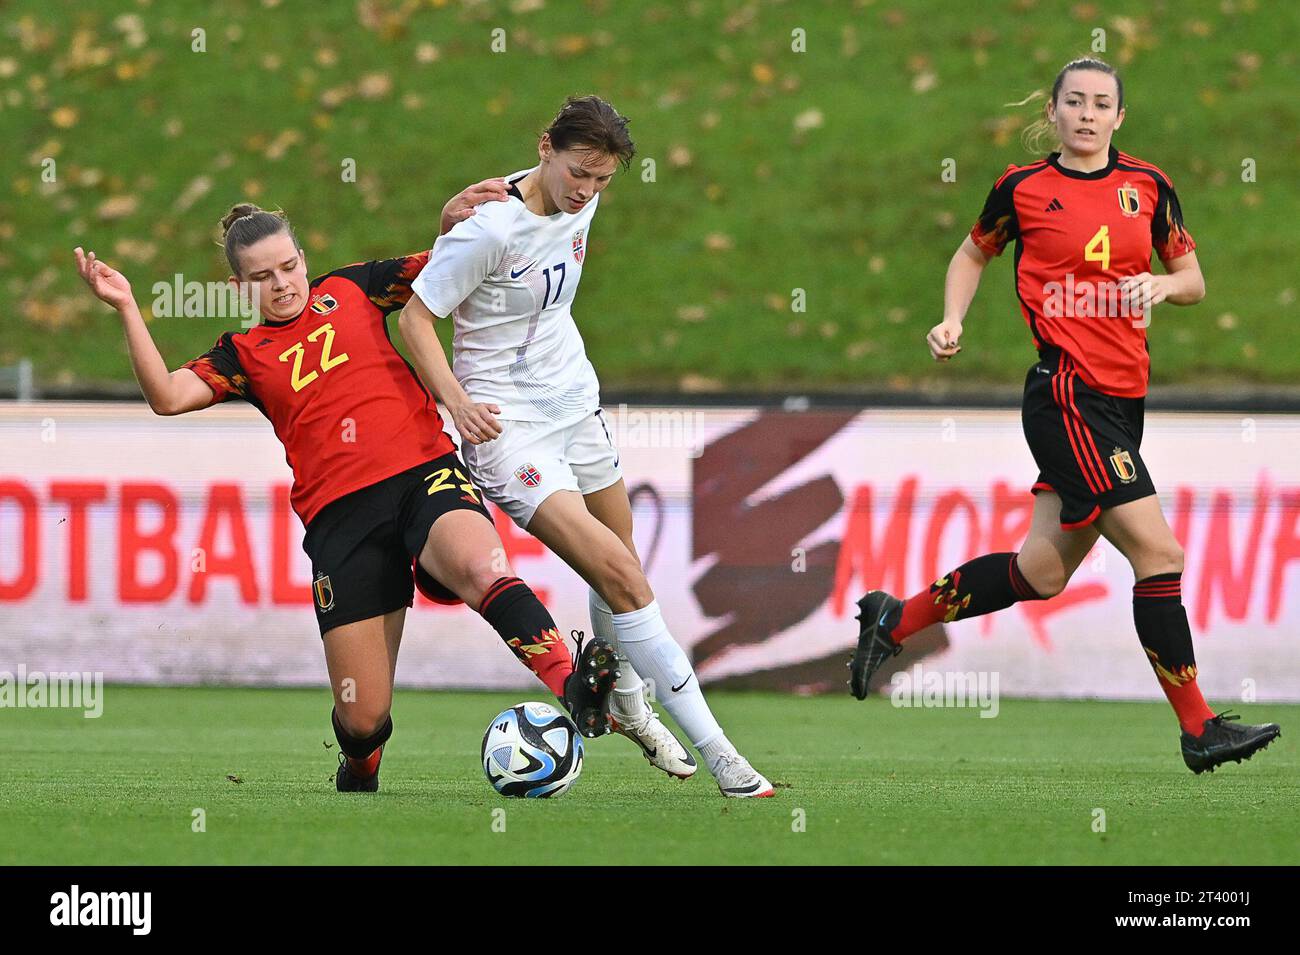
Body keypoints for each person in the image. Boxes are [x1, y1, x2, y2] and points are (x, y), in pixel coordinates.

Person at [72, 182, 620, 795]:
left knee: (481, 566)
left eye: (289, 265)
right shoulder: (242, 354)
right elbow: (167, 397)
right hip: (341, 522)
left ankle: (574, 685)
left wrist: (448, 220)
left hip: (423, 476)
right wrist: (125, 306)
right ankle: (360, 765)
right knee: (364, 716)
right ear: (238, 290)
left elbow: (451, 266)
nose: (282, 283)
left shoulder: (355, 287)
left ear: (304, 259)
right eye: (263, 277)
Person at [848, 57, 1280, 774]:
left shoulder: (1148, 186)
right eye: (1073, 101)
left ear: (1119, 117)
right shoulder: (1021, 189)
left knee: (1041, 573)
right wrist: (950, 319)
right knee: (1160, 555)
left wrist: (1163, 287)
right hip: (1067, 396)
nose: (1086, 113)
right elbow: (971, 252)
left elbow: (1195, 281)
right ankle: (1199, 727)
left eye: (1100, 103)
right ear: (1051, 112)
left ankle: (898, 618)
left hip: (1122, 400)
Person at [399, 95, 774, 797]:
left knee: (622, 557)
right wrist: (455, 399)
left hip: (574, 401)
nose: (586, 191)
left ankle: (628, 700)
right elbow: (417, 318)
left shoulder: (579, 199)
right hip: (506, 425)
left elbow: (549, 216)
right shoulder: (487, 227)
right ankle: (724, 755)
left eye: (602, 181)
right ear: (546, 146)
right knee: (622, 573)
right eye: (578, 173)